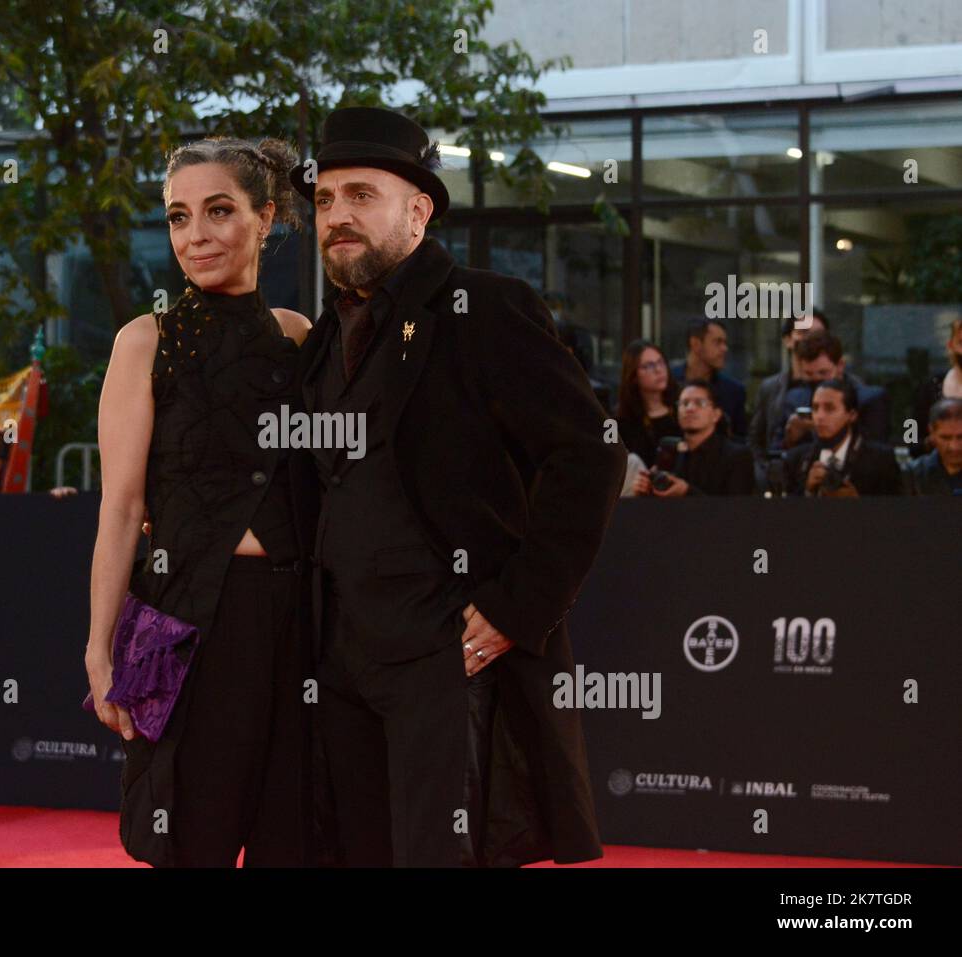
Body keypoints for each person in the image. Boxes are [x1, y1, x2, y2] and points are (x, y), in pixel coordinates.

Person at [288, 106, 627, 867]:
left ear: (418, 210)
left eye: (360, 196)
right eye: (325, 199)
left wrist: (518, 605)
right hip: (340, 662)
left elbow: (590, 454)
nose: (337, 216)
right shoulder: (321, 340)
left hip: (445, 659)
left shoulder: (484, 309)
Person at [83, 136, 315, 867]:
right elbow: (120, 507)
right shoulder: (144, 342)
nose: (196, 235)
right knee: (189, 840)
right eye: (179, 217)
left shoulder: (299, 337)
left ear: (266, 217)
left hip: (294, 624)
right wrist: (98, 644)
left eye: (219, 211)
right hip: (185, 623)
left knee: (297, 838)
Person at [748, 308, 830, 488]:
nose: (811, 339)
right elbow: (756, 440)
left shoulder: (844, 386)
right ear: (787, 340)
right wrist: (764, 475)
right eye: (804, 332)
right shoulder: (770, 387)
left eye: (818, 334)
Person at [631, 380, 754, 496]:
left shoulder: (737, 456)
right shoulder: (670, 452)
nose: (689, 408)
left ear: (716, 414)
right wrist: (647, 490)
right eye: (684, 403)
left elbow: (736, 510)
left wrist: (687, 492)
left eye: (699, 403)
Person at [783, 378, 903, 496]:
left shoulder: (881, 461)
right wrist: (808, 492)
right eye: (815, 408)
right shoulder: (796, 460)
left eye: (829, 408)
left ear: (851, 415)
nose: (819, 416)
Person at [670, 317, 747, 438]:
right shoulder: (668, 381)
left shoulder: (733, 391)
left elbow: (739, 439)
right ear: (695, 344)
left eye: (725, 343)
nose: (724, 349)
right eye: (717, 342)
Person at [614, 339, 681, 468]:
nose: (658, 370)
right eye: (649, 366)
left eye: (661, 362)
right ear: (633, 376)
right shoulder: (622, 420)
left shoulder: (683, 407)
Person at [909, 317, 962, 458]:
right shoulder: (928, 386)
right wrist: (931, 441)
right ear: (950, 345)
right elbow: (910, 437)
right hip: (935, 473)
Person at [906, 397, 962, 495]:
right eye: (945, 438)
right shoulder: (912, 475)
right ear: (932, 433)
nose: (954, 446)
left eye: (961, 437)